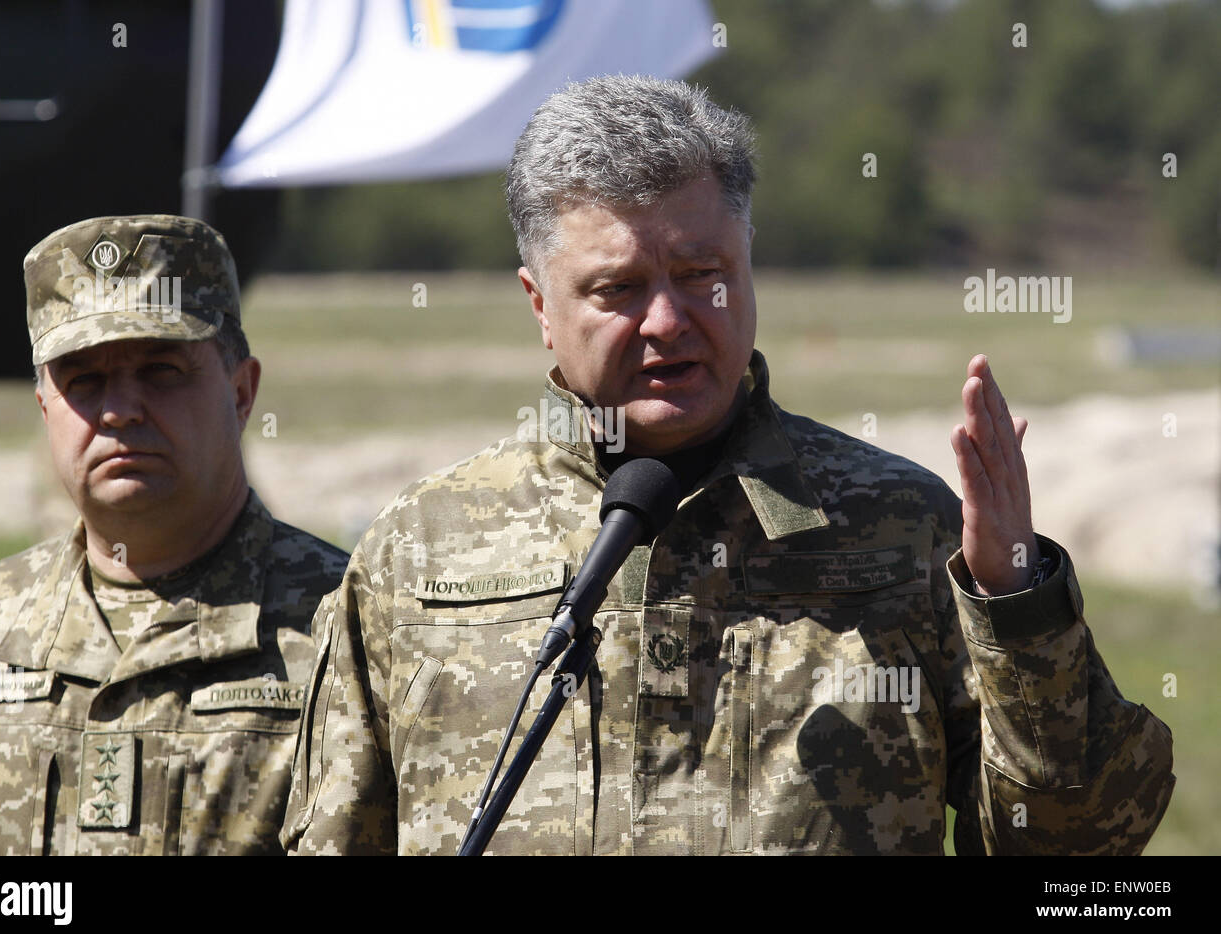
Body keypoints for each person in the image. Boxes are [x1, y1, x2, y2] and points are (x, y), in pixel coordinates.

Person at [282, 77, 1175, 855]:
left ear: (749, 268)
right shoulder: (417, 555)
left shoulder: (904, 527)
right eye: (619, 288)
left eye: (701, 273)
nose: (669, 319)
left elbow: (1078, 854)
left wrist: (1017, 605)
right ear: (539, 303)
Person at [0, 215, 347, 854]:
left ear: (241, 391)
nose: (120, 410)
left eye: (163, 370)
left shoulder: (351, 632)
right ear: (46, 408)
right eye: (84, 380)